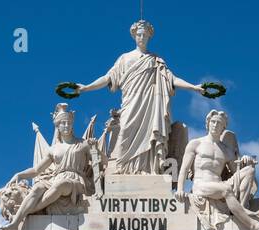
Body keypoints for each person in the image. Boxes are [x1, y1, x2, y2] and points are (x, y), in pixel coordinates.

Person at [72, 19, 206, 174]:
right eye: (139, 35)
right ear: (134, 36)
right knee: (125, 132)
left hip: (150, 105)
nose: (141, 38)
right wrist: (87, 87)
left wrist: (194, 87)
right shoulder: (125, 58)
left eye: (144, 35)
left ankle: (147, 169)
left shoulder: (156, 60)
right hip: (130, 103)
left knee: (150, 135)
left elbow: (172, 79)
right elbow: (108, 78)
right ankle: (123, 169)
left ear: (149, 37)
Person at [177, 109, 259, 230]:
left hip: (220, 185)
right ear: (208, 123)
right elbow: (184, 169)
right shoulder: (196, 144)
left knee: (249, 171)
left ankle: (241, 208)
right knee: (226, 189)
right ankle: (252, 224)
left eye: (219, 123)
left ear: (223, 127)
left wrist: (245, 161)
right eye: (213, 122)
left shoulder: (226, 150)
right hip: (201, 185)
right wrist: (179, 189)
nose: (215, 125)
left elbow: (236, 171)